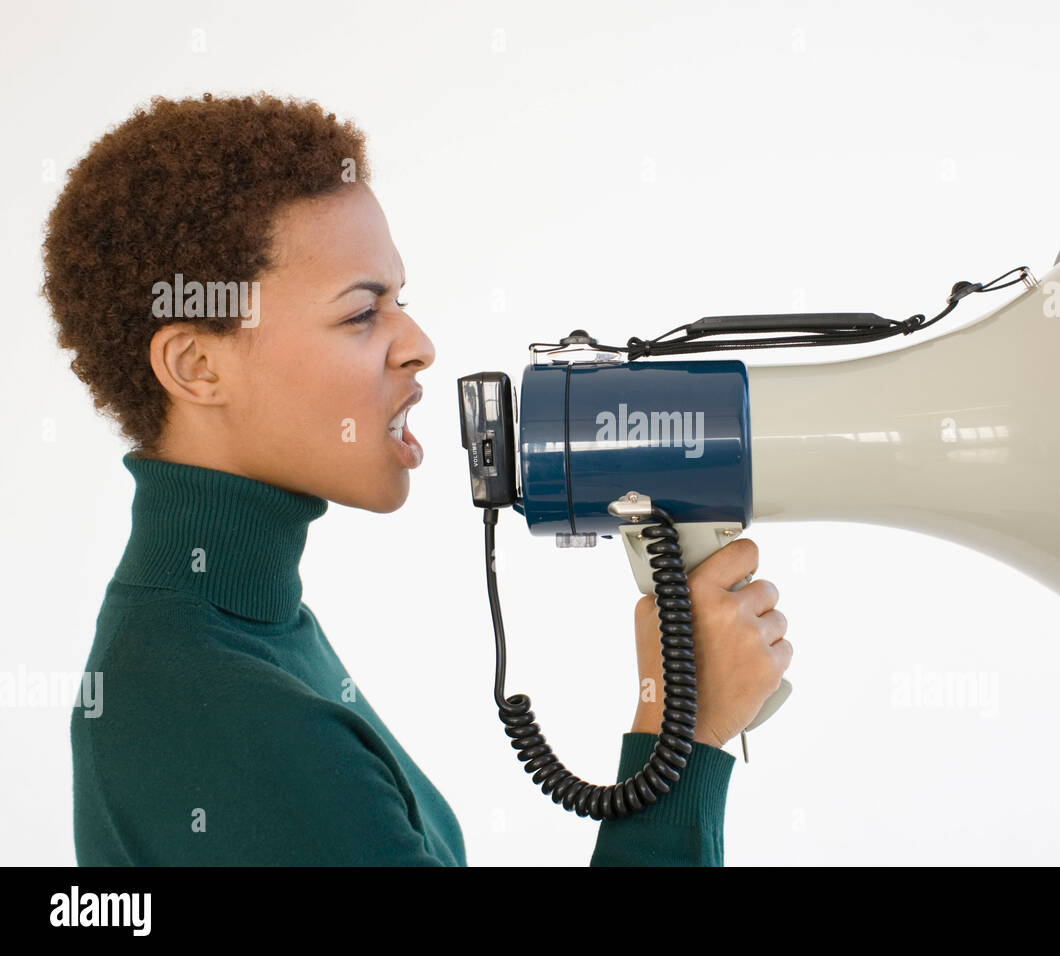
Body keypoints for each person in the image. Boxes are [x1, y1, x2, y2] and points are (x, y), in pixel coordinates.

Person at [43, 92, 792, 866]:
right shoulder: (213, 707)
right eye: (362, 314)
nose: (420, 345)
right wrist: (685, 731)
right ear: (198, 367)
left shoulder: (240, 630)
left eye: (402, 302)